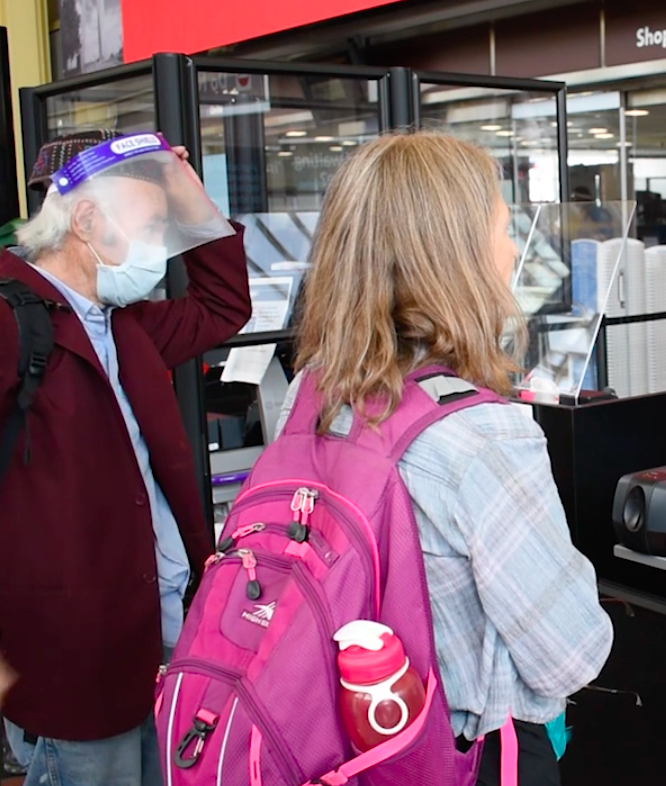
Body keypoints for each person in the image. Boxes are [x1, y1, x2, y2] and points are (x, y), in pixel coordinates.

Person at [276, 131, 613, 786]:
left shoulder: (311, 390)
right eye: (501, 228)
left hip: (344, 738)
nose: (515, 249)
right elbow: (569, 656)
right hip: (461, 753)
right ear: (451, 258)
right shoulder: (483, 435)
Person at [0, 131, 250, 786]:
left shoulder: (125, 322)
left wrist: (185, 191)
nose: (162, 242)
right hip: (73, 654)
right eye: (152, 221)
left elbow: (225, 305)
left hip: (160, 628)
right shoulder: (11, 319)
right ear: (86, 219)